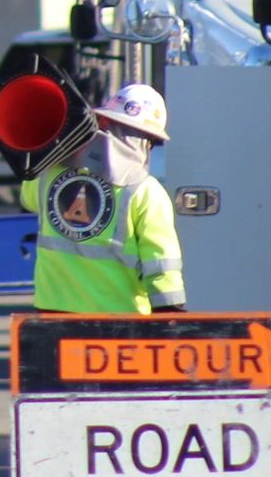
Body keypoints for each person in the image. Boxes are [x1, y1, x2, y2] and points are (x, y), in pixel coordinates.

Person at [23, 83, 186, 315]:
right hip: (118, 321)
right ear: (147, 141)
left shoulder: (49, 174)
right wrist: (170, 314)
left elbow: (28, 199)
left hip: (54, 312)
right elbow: (161, 262)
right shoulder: (146, 192)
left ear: (103, 123)